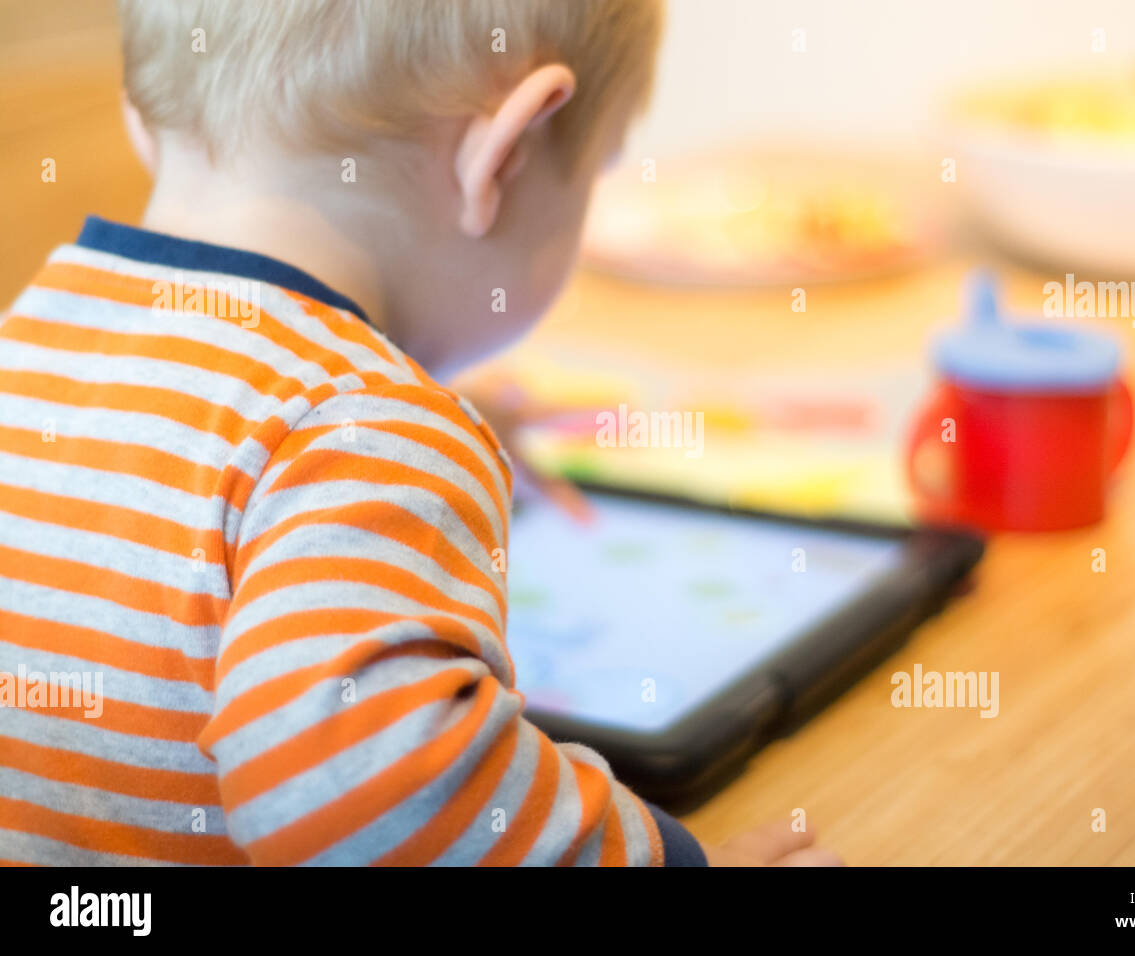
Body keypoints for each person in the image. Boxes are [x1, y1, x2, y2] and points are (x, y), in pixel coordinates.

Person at [0, 0, 840, 867]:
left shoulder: (29, 345)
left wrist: (395, 457)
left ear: (143, 115)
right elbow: (363, 794)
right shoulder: (363, 430)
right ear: (504, 155)